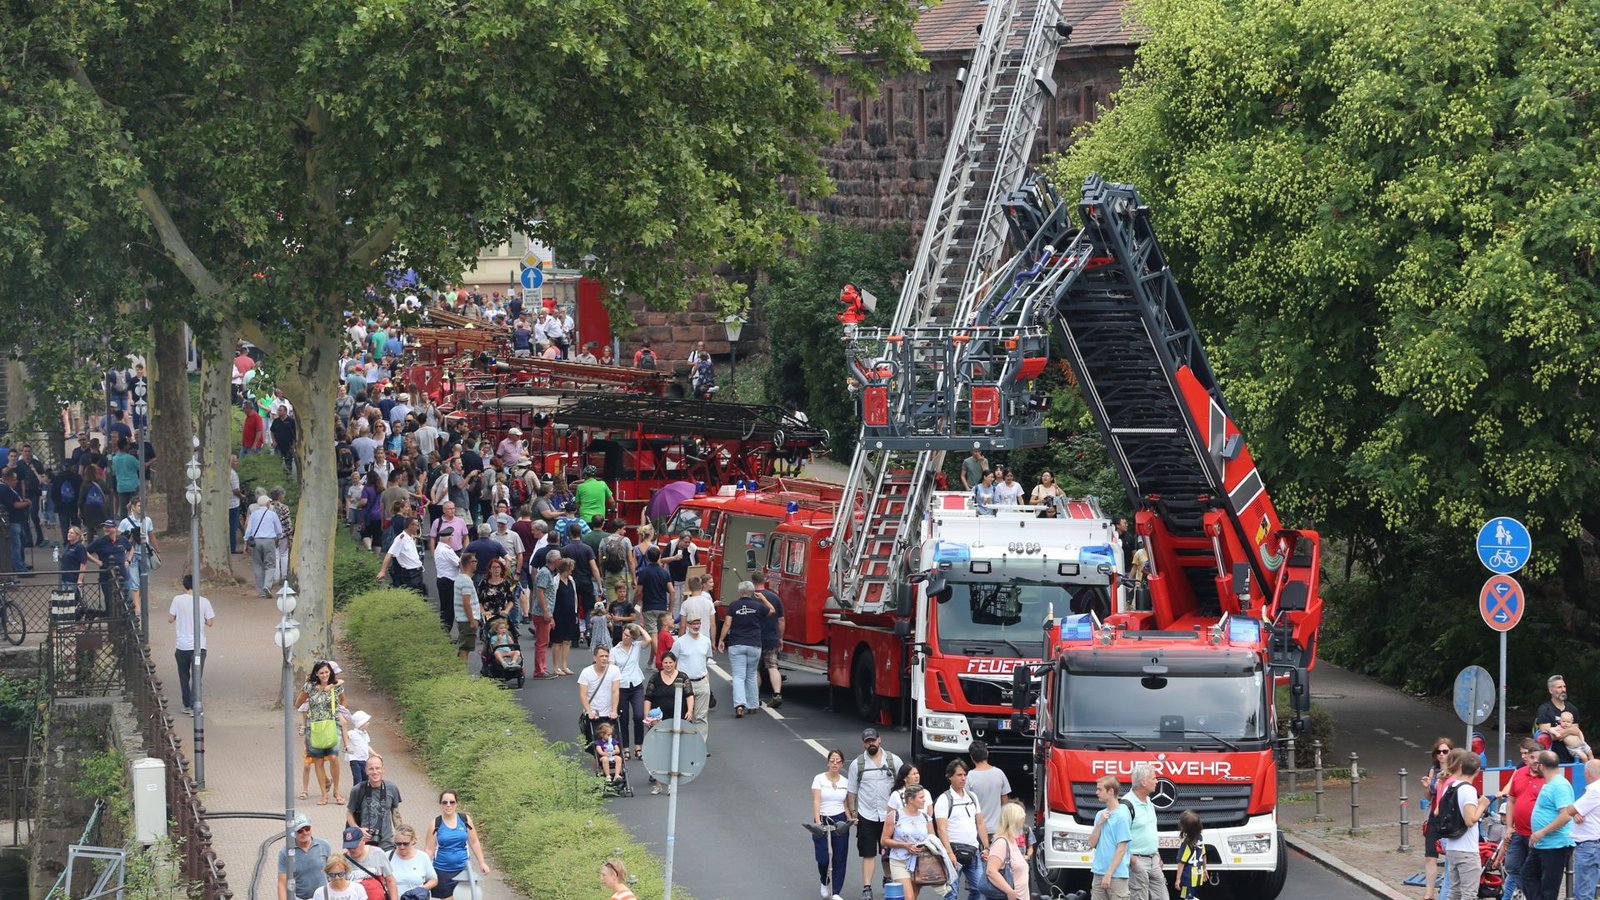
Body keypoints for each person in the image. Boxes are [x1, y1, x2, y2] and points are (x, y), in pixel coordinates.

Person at [1529, 757, 1600, 900]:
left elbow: (1570, 810)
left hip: (1588, 844)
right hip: (1591, 843)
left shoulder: (1594, 790)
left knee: (1583, 893)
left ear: (1587, 773)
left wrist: (1574, 809)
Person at [847, 727, 903, 899]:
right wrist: (854, 813)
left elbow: (902, 788)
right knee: (868, 853)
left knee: (888, 853)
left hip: (889, 817)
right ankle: (867, 888)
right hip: (867, 815)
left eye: (873, 740)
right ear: (863, 744)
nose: (870, 743)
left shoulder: (894, 761)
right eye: (867, 741)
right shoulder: (857, 764)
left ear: (880, 740)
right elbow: (852, 792)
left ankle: (888, 879)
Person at [1435, 748, 1490, 900]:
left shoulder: (1452, 786)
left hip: (1452, 847)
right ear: (1478, 770)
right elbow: (1470, 820)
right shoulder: (1468, 790)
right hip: (1467, 849)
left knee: (1454, 892)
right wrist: (1482, 805)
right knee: (1469, 894)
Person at [1521, 750, 1577, 900]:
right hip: (1543, 844)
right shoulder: (1549, 784)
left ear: (1541, 766)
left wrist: (1542, 832)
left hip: (1555, 844)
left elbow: (1566, 815)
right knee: (1527, 875)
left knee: (1549, 888)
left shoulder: (1560, 785)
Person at [1497, 738, 1547, 900]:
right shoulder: (1519, 773)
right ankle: (1532, 894)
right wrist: (1510, 826)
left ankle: (1534, 895)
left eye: (1538, 758)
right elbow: (1511, 801)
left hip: (1537, 833)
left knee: (1535, 870)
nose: (1534, 762)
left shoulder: (1548, 778)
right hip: (1519, 831)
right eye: (1531, 758)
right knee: (1512, 865)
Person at [934, 759, 989, 900]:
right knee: (951, 893)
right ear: (950, 777)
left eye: (965, 774)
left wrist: (986, 847)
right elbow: (941, 829)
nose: (963, 778)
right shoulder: (944, 799)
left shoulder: (972, 797)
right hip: (953, 852)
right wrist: (949, 853)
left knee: (979, 889)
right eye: (959, 775)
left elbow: (980, 823)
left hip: (973, 851)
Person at [717, 580, 772, 718]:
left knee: (738, 676)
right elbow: (772, 610)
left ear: (740, 592)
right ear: (752, 592)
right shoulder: (758, 606)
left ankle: (739, 704)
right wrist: (763, 598)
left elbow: (727, 623)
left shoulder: (734, 605)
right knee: (751, 675)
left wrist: (721, 640)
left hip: (737, 643)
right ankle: (753, 705)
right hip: (754, 644)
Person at [643, 650, 695, 795]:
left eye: (670, 662)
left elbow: (689, 695)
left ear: (675, 663)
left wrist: (690, 710)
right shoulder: (655, 678)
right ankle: (658, 784)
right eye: (665, 662)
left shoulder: (682, 677)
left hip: (677, 718)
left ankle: (672, 783)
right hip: (658, 720)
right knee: (659, 751)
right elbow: (648, 697)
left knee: (674, 750)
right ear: (662, 663)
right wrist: (647, 716)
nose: (668, 665)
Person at [882, 784, 944, 899]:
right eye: (921, 797)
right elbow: (884, 840)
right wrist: (905, 845)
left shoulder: (926, 818)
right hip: (899, 861)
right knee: (908, 897)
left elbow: (932, 839)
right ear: (910, 800)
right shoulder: (894, 816)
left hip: (919, 863)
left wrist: (924, 847)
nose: (924, 800)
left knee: (913, 897)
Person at [423, 790, 489, 898]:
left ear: (456, 804)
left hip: (463, 869)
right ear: (441, 804)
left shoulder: (465, 819)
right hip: (442, 871)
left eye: (452, 802)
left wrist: (482, 863)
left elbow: (474, 842)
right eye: (445, 802)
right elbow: (429, 850)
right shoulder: (435, 823)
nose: (448, 805)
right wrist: (424, 870)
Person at [298, 661, 345, 805]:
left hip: (331, 725)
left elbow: (343, 701)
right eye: (321, 673)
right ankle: (324, 794)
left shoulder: (337, 686)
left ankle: (337, 791)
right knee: (318, 760)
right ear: (316, 674)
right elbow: (298, 703)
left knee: (333, 757)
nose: (325, 675)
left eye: (327, 672)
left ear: (330, 672)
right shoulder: (309, 687)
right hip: (315, 727)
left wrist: (337, 712)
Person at [168, 574, 214, 715]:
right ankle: (196, 705)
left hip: (181, 646)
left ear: (185, 585)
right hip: (198, 646)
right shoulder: (204, 602)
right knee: (196, 677)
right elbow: (210, 622)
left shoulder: (177, 600)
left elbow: (170, 619)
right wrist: (202, 620)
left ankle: (186, 704)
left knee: (184, 676)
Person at [811, 749, 852, 900]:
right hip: (823, 817)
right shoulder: (819, 779)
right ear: (828, 762)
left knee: (840, 856)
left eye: (838, 761)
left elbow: (846, 805)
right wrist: (817, 822)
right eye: (832, 760)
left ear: (842, 764)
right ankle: (824, 880)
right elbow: (816, 801)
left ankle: (835, 891)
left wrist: (850, 820)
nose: (835, 763)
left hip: (840, 818)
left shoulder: (845, 782)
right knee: (823, 857)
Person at [1419, 737, 1456, 900]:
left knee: (1450, 857)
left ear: (1451, 752)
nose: (1441, 755)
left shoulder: (1456, 772)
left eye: (1445, 751)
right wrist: (1427, 787)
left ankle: (1448, 891)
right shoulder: (1433, 770)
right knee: (1430, 855)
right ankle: (1429, 893)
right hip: (1434, 816)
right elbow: (1429, 796)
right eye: (1438, 752)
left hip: (1449, 818)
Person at [346, 754, 402, 852]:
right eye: (371, 769)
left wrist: (401, 836)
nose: (375, 772)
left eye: (377, 768)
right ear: (366, 770)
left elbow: (396, 814)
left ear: (383, 770)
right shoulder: (358, 790)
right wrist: (358, 830)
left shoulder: (392, 788)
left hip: (387, 843)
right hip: (364, 843)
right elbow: (349, 814)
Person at [1088, 775, 1131, 900]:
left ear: (1111, 791)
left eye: (1100, 789)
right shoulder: (1099, 815)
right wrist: (1100, 823)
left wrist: (1109, 873)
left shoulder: (1122, 816)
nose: (1096, 792)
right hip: (1098, 872)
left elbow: (1121, 848)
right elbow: (1091, 844)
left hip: (1116, 876)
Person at [674, 613, 713, 743]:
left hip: (702, 681)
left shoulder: (706, 641)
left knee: (701, 717)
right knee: (684, 714)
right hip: (685, 683)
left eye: (698, 623)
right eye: (693, 624)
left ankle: (699, 746)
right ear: (688, 625)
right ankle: (684, 744)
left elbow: (705, 662)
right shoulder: (679, 642)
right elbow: (672, 662)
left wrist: (708, 684)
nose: (696, 626)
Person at [1124, 763, 1160, 900]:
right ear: (1143, 782)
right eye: (1154, 778)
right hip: (1137, 861)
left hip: (1154, 859)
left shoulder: (1149, 801)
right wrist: (1133, 860)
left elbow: (1149, 830)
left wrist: (1157, 854)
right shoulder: (1127, 805)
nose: (1157, 781)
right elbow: (1120, 836)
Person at [278, 812, 333, 900]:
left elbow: (332, 873)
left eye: (307, 829)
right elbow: (282, 883)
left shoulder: (324, 845)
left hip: (323, 896)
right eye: (300, 830)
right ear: (293, 832)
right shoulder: (285, 853)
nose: (305, 833)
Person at [753, 572, 786, 708]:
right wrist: (780, 637)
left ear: (752, 581)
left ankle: (755, 696)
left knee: (755, 669)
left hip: (754, 639)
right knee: (773, 666)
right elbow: (781, 620)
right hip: (771, 637)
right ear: (765, 580)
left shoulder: (750, 598)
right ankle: (777, 694)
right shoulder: (774, 597)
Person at [966, 741, 1012, 835]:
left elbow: (966, 805)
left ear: (971, 757)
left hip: (978, 830)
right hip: (998, 829)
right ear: (987, 753)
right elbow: (1005, 802)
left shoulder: (969, 777)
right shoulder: (999, 773)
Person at [244, 495, 288, 597]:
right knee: (270, 565)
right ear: (267, 503)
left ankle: (260, 591)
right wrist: (279, 537)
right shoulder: (272, 515)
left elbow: (249, 530)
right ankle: (267, 586)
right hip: (269, 541)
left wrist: (246, 542)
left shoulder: (254, 515)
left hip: (256, 541)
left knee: (258, 565)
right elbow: (279, 530)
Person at [579, 645, 622, 741]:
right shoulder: (586, 672)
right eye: (601, 656)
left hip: (609, 714)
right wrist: (589, 711)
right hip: (594, 713)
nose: (604, 659)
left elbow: (615, 691)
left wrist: (614, 710)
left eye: (606, 656)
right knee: (593, 744)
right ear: (595, 658)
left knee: (612, 743)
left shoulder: (614, 670)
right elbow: (583, 694)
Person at [340, 827, 396, 900]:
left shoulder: (377, 853)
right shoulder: (343, 860)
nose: (351, 850)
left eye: (354, 846)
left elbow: (390, 880)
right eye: (348, 847)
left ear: (363, 840)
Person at [376, 516, 426, 595]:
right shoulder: (400, 539)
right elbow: (389, 554)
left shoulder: (409, 536)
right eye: (417, 525)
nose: (418, 527)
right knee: (414, 596)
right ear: (410, 526)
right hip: (410, 574)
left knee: (421, 595)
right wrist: (382, 571)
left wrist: (414, 536)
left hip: (417, 572)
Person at [529, 550, 559, 678]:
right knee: (542, 642)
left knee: (544, 641)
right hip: (541, 613)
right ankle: (540, 670)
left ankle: (542, 668)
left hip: (545, 612)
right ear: (555, 561)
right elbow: (540, 592)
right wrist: (546, 611)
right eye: (560, 559)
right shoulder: (545, 573)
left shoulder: (547, 573)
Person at [388, 824, 438, 897]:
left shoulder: (422, 857)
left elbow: (434, 880)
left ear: (413, 841)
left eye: (405, 844)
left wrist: (420, 890)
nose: (402, 847)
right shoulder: (387, 856)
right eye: (398, 844)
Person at [550, 558, 580, 676]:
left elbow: (575, 597)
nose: (572, 570)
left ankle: (565, 666)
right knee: (557, 641)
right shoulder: (555, 581)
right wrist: (551, 616)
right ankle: (556, 666)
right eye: (570, 568)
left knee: (567, 641)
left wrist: (575, 613)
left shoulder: (571, 580)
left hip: (570, 613)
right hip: (558, 614)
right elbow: (552, 598)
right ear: (566, 568)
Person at [1172, 810, 1206, 899]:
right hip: (1198, 873)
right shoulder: (1200, 838)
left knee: (1186, 894)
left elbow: (1181, 862)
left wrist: (1178, 879)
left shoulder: (1186, 844)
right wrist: (1205, 869)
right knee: (1194, 894)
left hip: (1188, 876)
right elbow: (1203, 854)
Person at [343, 710, 373, 788]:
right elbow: (345, 735)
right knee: (357, 778)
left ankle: (365, 793)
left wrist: (375, 753)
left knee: (366, 777)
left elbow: (367, 746)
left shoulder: (365, 734)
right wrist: (347, 746)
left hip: (364, 759)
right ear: (360, 724)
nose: (368, 724)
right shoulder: (352, 733)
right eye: (366, 722)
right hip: (355, 759)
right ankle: (356, 794)